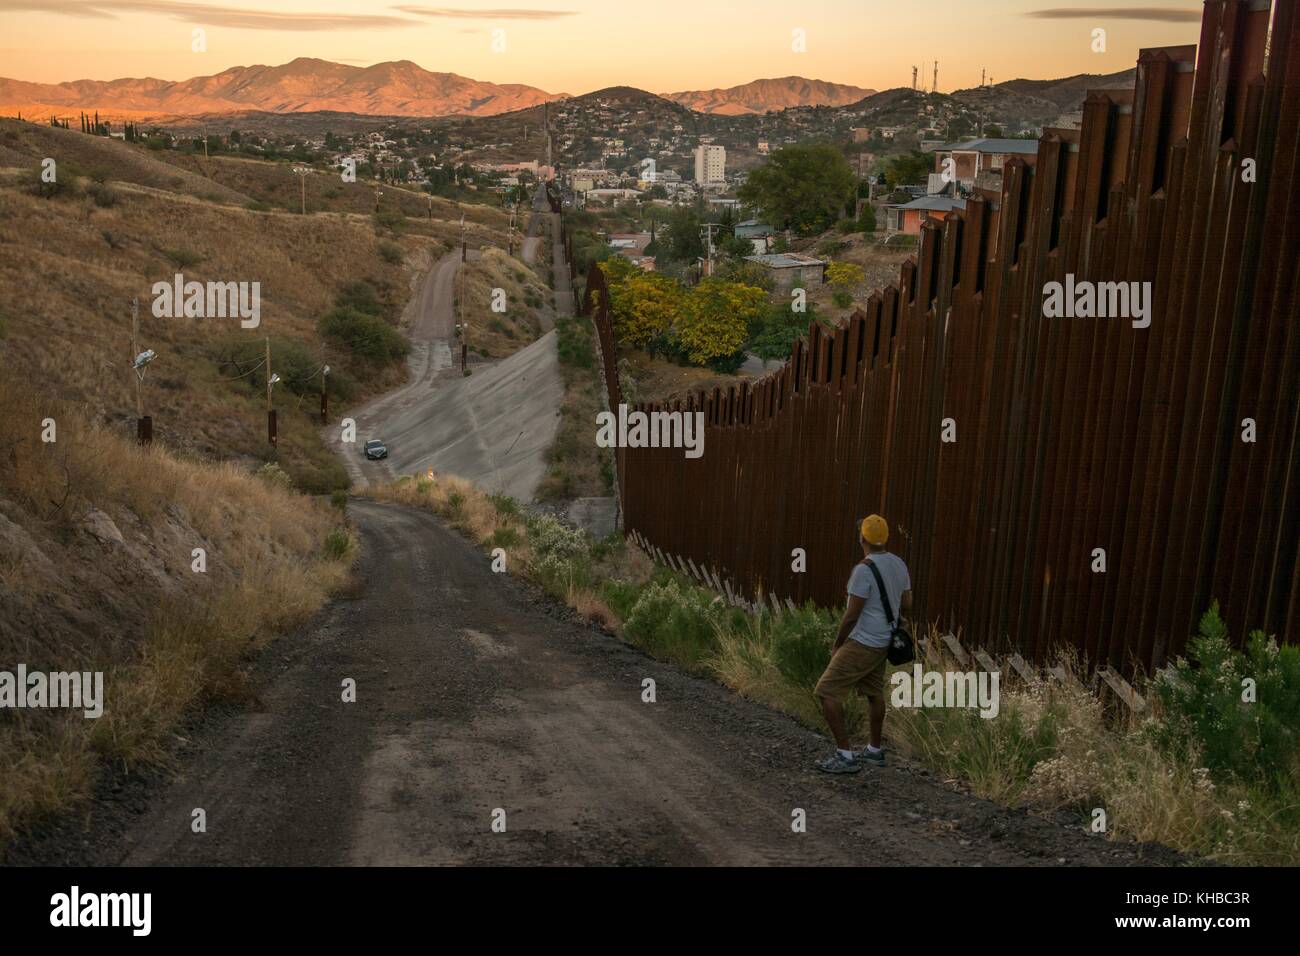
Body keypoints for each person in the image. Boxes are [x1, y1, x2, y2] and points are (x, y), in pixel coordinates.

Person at [813, 514, 912, 774]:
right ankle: (874, 751)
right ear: (886, 537)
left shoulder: (863, 570)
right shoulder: (899, 564)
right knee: (873, 693)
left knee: (826, 691)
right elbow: (908, 603)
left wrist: (838, 644)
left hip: (864, 641)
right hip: (885, 642)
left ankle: (845, 755)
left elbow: (852, 614)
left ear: (862, 538)